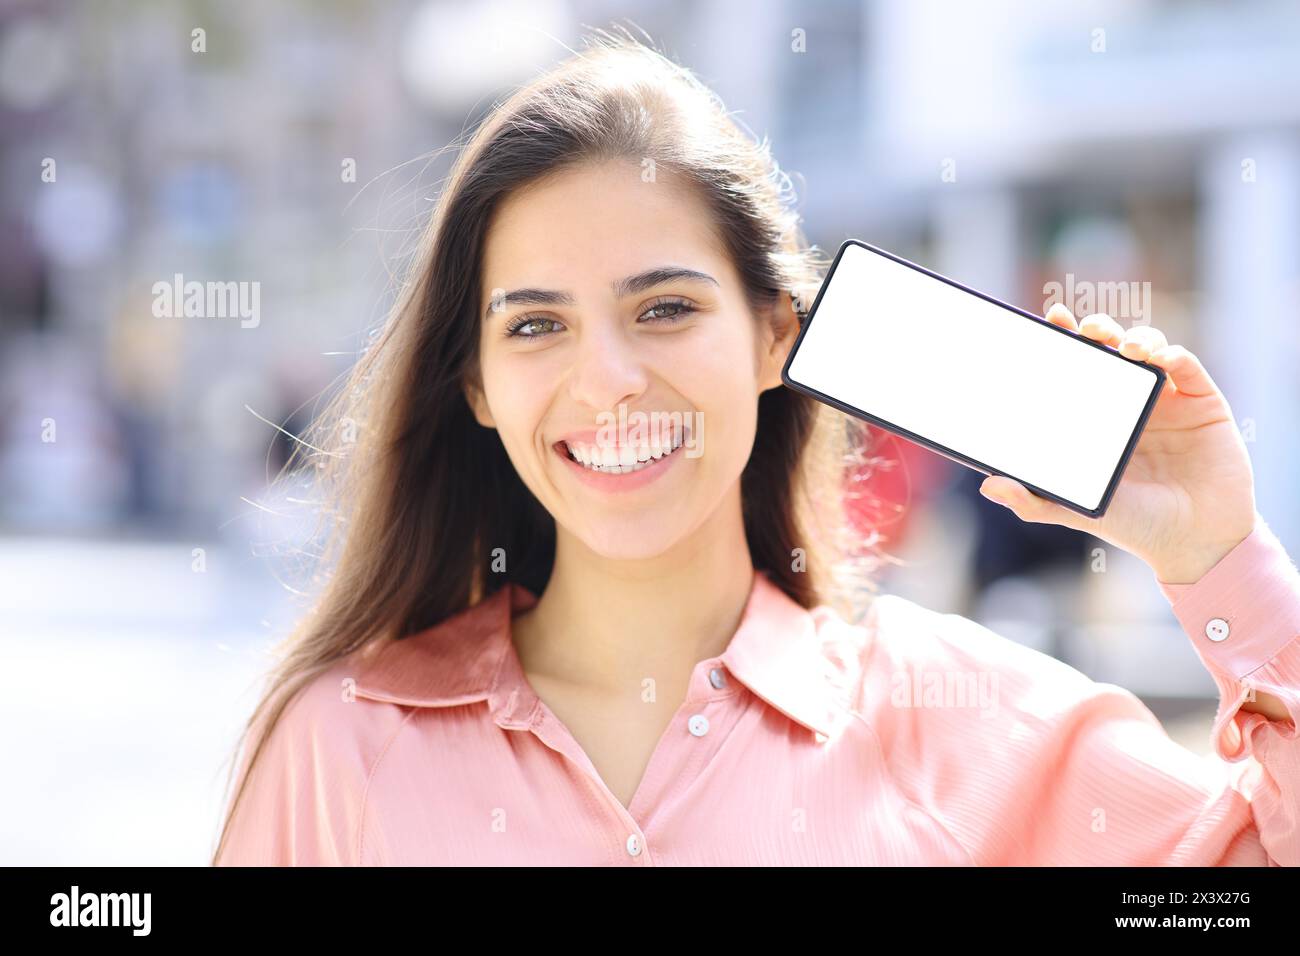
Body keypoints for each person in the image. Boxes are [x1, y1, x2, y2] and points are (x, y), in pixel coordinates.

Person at [211, 30, 1298, 866]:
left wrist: (1220, 558)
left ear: (777, 334)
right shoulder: (341, 746)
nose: (609, 380)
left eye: (666, 307)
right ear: (478, 387)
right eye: (536, 325)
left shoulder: (964, 725)